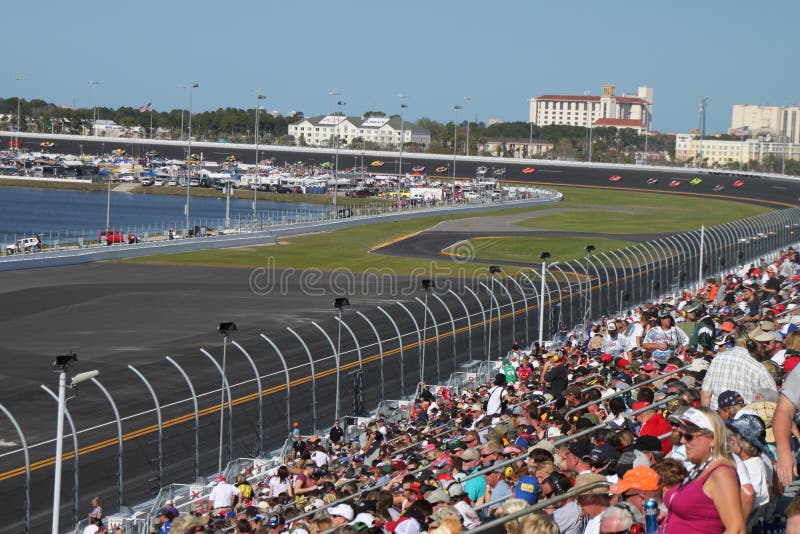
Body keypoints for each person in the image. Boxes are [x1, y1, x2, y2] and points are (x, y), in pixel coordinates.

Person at [661, 407, 745, 533]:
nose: (682, 440)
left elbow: (737, 529)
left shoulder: (722, 473)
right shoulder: (699, 469)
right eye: (682, 435)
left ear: (712, 439)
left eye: (689, 436)